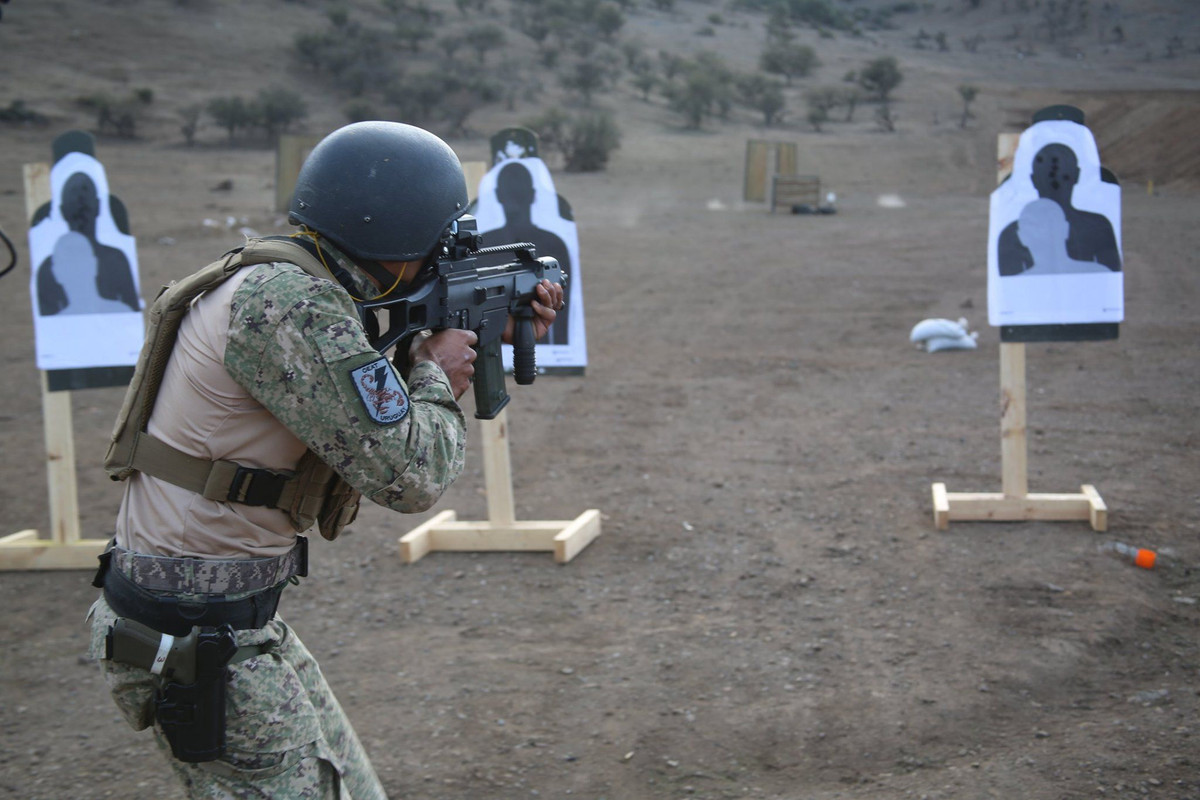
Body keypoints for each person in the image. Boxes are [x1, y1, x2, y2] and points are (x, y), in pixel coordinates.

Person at [88, 121, 563, 799]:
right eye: (438, 241)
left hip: (232, 621)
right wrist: (435, 372)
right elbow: (412, 474)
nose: (443, 256)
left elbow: (350, 385)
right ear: (396, 233)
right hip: (197, 637)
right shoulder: (293, 308)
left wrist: (475, 329)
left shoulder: (291, 283)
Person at [996, 143, 1121, 276]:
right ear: (1034, 179)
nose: (1055, 185)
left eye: (1064, 177)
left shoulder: (1098, 226)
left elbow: (1112, 279)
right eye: (1046, 177)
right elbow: (1009, 282)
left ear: (1076, 175)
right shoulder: (1014, 232)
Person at [36, 171, 140, 315]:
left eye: (85, 208)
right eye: (75, 208)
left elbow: (131, 317)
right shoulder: (49, 267)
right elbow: (48, 320)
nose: (81, 215)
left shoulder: (116, 259)